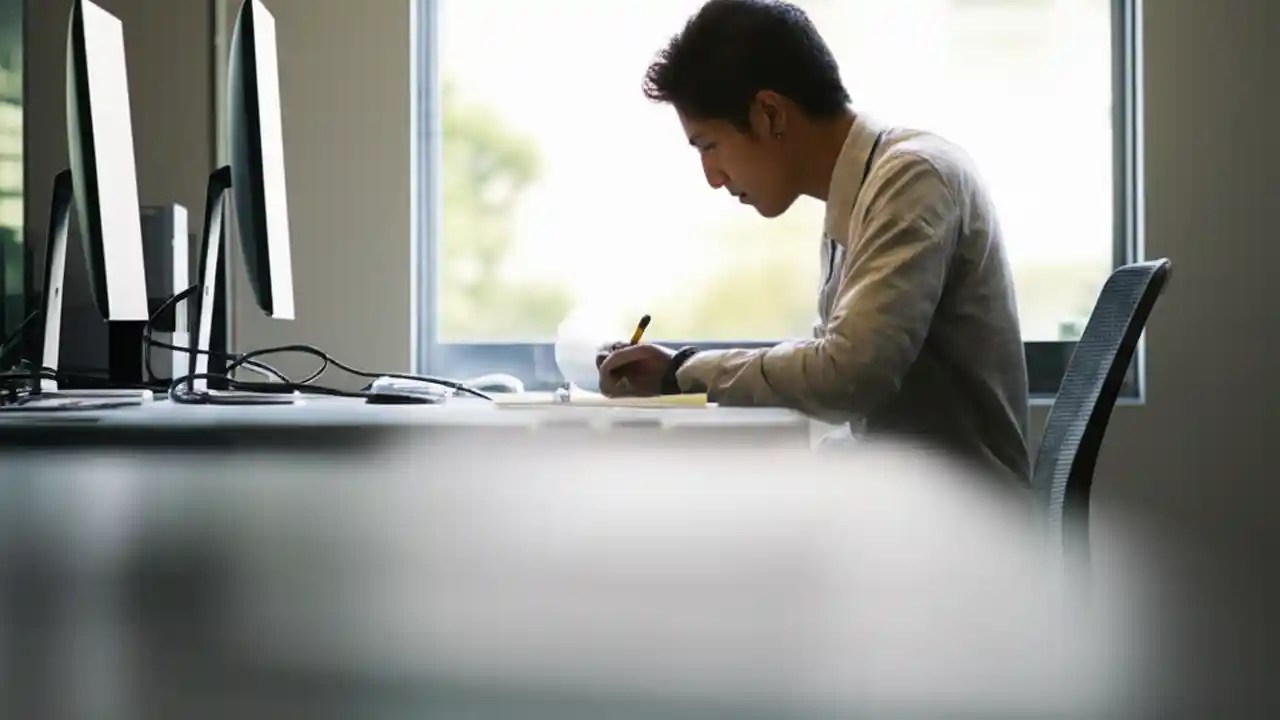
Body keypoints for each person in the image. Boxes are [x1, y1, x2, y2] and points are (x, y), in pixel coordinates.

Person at [596, 0, 1030, 482]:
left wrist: (684, 370)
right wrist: (680, 372)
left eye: (709, 146)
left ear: (770, 114)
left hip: (961, 513)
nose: (713, 178)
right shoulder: (860, 189)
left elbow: (847, 376)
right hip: (904, 496)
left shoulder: (912, 179)